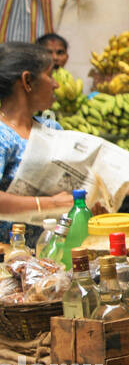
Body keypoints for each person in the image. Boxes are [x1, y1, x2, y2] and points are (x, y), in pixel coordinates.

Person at [0, 43, 75, 245]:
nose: (56, 84)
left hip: (53, 255)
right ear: (27, 81)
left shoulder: (51, 129)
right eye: (49, 75)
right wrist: (49, 204)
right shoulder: (3, 136)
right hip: (10, 260)